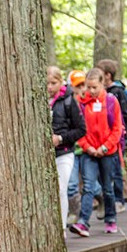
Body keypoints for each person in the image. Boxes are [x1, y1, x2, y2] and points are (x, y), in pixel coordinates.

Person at [68, 68, 123, 237]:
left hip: (107, 152)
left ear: (102, 84)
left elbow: (117, 129)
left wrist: (104, 147)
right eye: (88, 87)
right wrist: (88, 147)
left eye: (94, 87)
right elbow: (78, 129)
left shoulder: (111, 101)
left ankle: (111, 218)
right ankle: (84, 222)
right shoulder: (81, 103)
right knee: (88, 186)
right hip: (89, 152)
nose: (91, 91)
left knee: (107, 187)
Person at [48, 65, 86, 231]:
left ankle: (62, 229)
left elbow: (81, 129)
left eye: (53, 83)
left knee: (61, 189)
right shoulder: (38, 98)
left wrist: (61, 139)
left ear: (61, 82)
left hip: (64, 153)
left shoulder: (69, 101)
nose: (49, 87)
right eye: (47, 83)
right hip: (45, 155)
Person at [95, 59, 127, 213]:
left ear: (108, 75)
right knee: (103, 172)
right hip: (101, 139)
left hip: (116, 138)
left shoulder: (118, 92)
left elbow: (125, 115)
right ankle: (107, 200)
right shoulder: (98, 93)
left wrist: (120, 133)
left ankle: (119, 200)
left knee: (116, 170)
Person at [65, 69, 88, 215]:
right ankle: (75, 212)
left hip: (88, 149)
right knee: (72, 183)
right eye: (77, 86)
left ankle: (101, 198)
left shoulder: (88, 103)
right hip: (72, 148)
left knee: (90, 183)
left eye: (83, 85)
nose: (81, 89)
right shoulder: (66, 103)